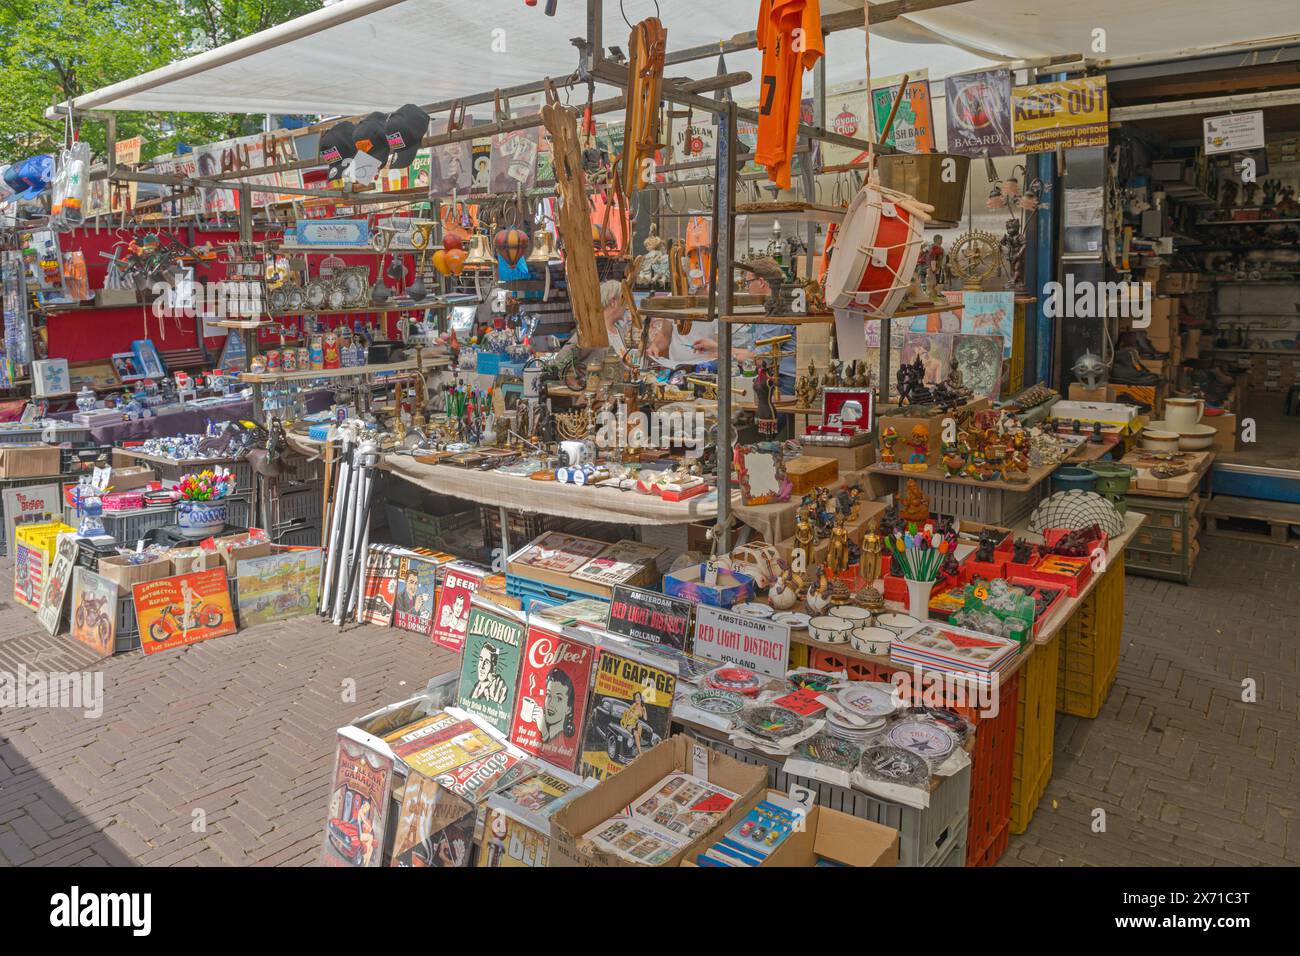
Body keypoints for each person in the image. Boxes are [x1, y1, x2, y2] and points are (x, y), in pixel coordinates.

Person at [541, 667, 578, 743]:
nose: (550, 703)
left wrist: (544, 733)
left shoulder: (560, 742)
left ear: (568, 709)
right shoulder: (550, 733)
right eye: (548, 695)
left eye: (559, 698)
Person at [620, 691, 649, 757]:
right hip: (628, 725)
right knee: (636, 733)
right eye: (636, 698)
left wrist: (644, 710)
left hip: (634, 725)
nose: (637, 699)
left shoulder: (642, 708)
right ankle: (640, 753)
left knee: (640, 725)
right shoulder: (633, 705)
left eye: (638, 697)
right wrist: (629, 715)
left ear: (641, 698)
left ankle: (635, 743)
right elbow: (626, 714)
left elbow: (645, 718)